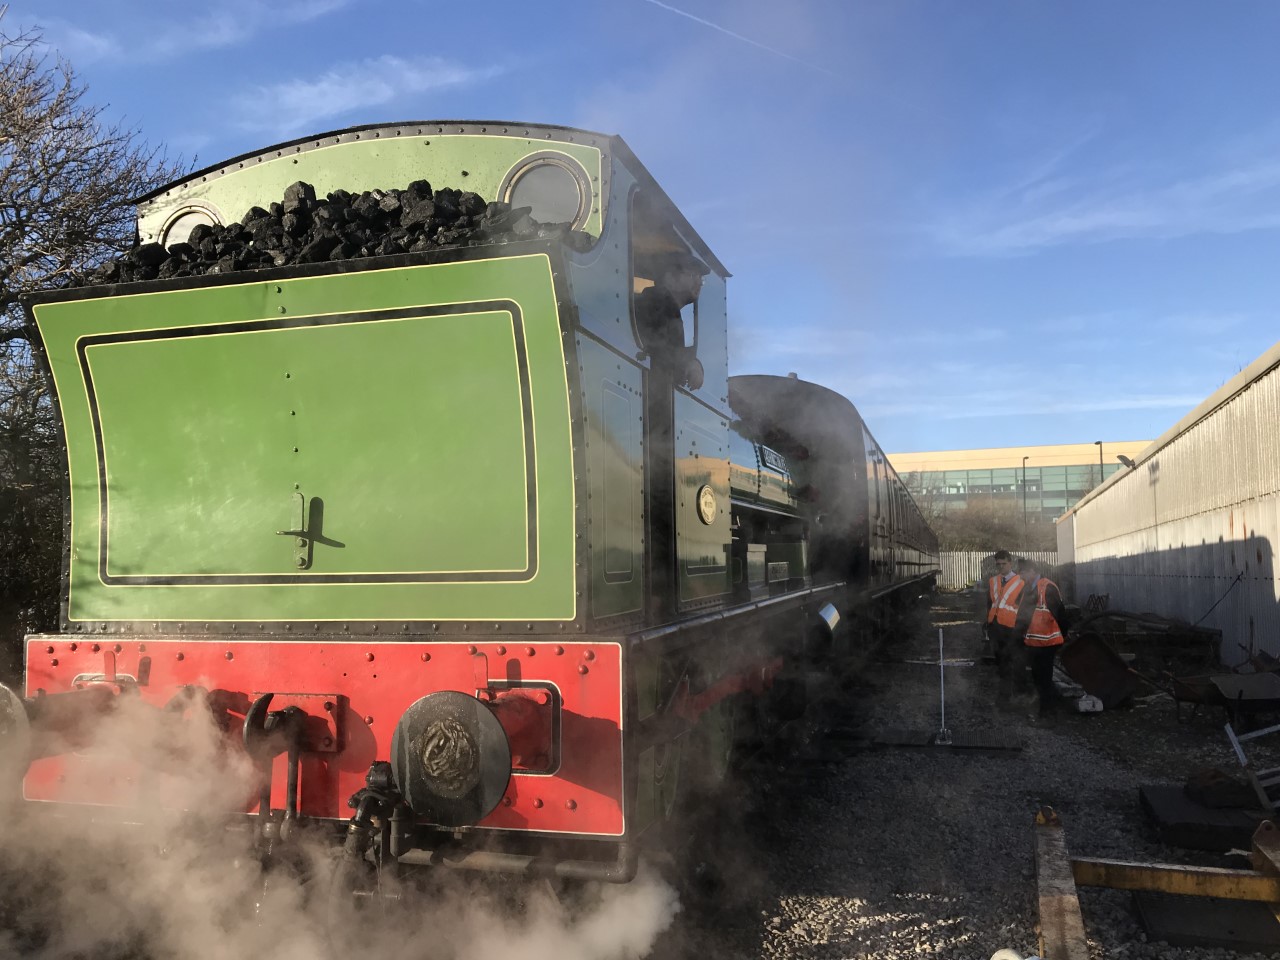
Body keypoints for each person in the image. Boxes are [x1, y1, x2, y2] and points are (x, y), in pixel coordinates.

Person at [1013, 558, 1067, 718]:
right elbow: (1025, 615)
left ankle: (1048, 714)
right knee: (1038, 677)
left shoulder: (1047, 587)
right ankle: (1043, 709)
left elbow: (1061, 616)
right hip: (1034, 643)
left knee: (1044, 679)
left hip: (1047, 644)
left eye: (1022, 573)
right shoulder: (1030, 588)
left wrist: (1062, 637)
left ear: (1031, 571)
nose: (1020, 576)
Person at [984, 550, 1025, 706]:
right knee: (1001, 661)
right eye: (998, 564)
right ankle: (1006, 694)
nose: (1001, 567)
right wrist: (987, 622)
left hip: (1012, 629)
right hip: (995, 627)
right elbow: (990, 603)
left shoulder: (1020, 582)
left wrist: (1020, 629)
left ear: (1010, 563)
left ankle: (1008, 697)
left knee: (1010, 662)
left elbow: (1023, 608)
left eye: (1004, 564)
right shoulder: (993, 581)